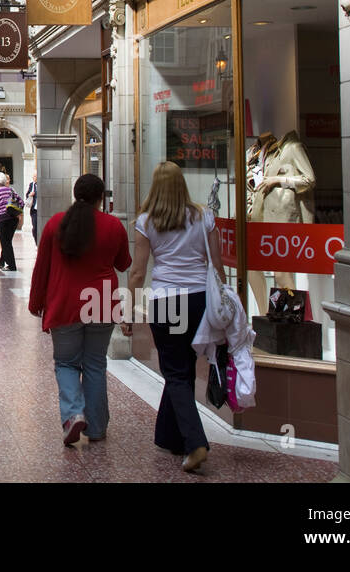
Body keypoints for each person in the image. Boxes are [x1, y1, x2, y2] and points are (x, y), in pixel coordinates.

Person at [123, 161, 223, 472]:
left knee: (176, 372)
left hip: (167, 301)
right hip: (199, 301)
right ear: (182, 185)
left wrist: (127, 311)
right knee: (184, 368)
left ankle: (195, 443)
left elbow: (138, 272)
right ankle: (169, 435)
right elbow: (217, 266)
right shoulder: (204, 216)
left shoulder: (146, 221)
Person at [28, 174, 130, 445]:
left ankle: (73, 414)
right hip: (101, 303)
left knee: (66, 363)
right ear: (100, 198)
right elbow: (123, 263)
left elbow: (42, 268)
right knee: (95, 364)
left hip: (65, 304)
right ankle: (96, 428)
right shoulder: (113, 225)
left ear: (75, 195)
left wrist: (36, 303)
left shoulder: (54, 224)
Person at [0, 172, 22, 271]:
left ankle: (12, 266)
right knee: (7, 242)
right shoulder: (11, 190)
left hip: (2, 219)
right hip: (13, 220)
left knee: (5, 243)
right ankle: (1, 262)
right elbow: (21, 202)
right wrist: (17, 212)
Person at [25, 175, 39, 246]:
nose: (34, 177)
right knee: (35, 228)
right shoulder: (31, 184)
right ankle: (37, 243)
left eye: (36, 176)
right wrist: (30, 194)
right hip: (34, 210)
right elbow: (27, 194)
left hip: (41, 209)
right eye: (33, 176)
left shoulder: (42, 184)